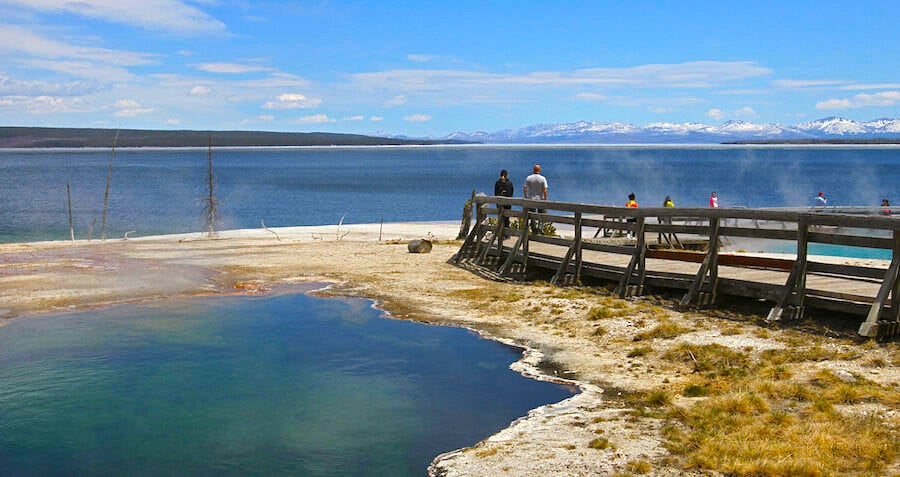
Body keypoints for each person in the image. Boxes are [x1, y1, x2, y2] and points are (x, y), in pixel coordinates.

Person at [523, 164, 548, 234]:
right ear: (539, 170)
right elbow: (545, 190)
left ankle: (534, 229)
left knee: (532, 215)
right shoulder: (543, 178)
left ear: (533, 170)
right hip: (540, 199)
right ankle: (540, 227)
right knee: (541, 214)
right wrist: (545, 199)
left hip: (531, 199)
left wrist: (525, 197)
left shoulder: (529, 178)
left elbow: (524, 189)